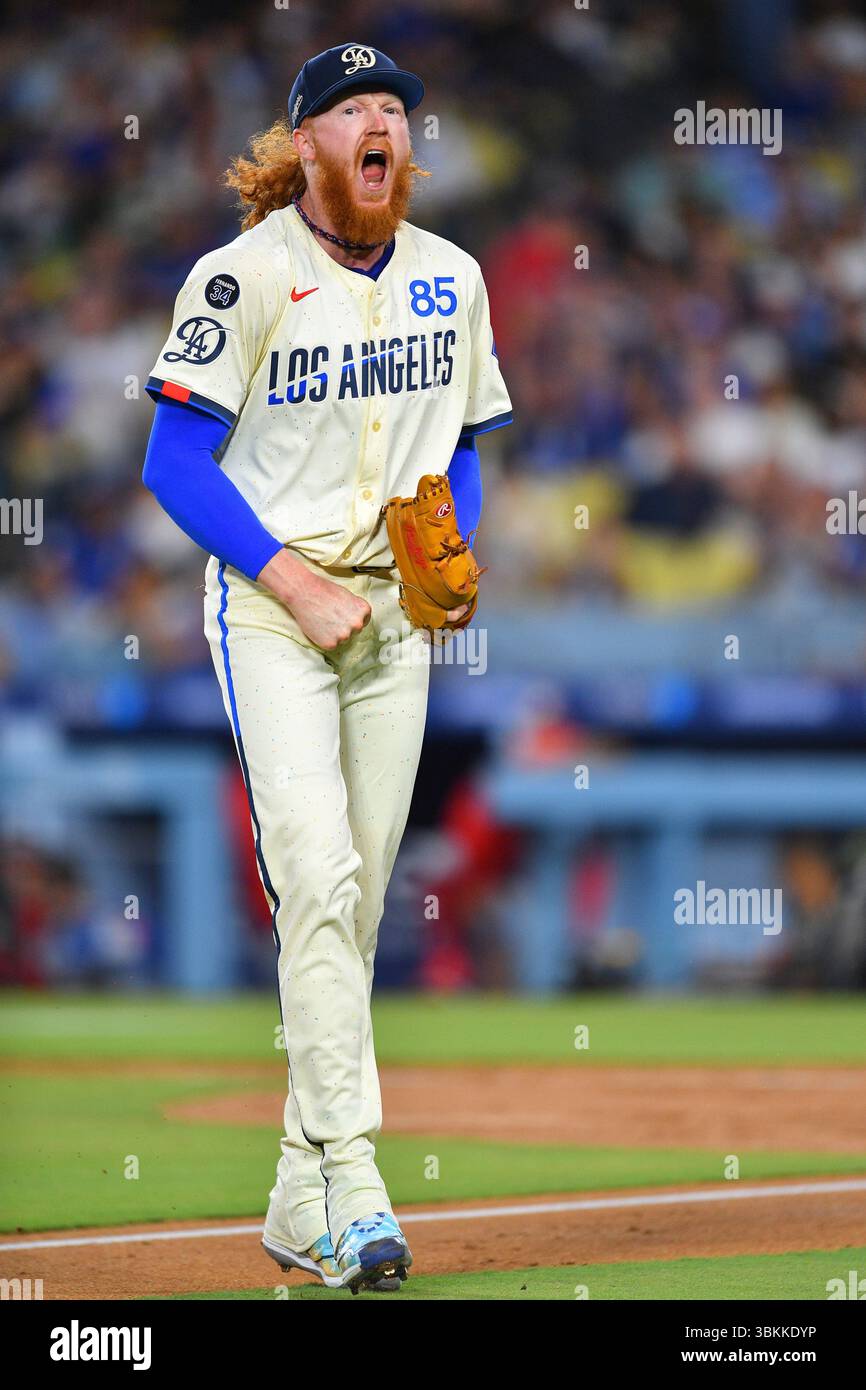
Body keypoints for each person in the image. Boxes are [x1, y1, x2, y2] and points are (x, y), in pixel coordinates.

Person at [142, 42, 512, 1293]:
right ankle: (354, 1183)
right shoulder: (242, 278)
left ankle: (295, 1195)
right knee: (315, 871)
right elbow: (175, 464)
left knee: (346, 905)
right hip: (272, 606)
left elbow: (458, 442)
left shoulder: (450, 278)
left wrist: (451, 534)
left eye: (395, 110)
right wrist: (290, 580)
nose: (380, 124)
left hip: (390, 618)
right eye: (352, 108)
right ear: (305, 144)